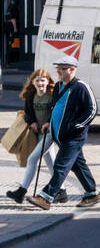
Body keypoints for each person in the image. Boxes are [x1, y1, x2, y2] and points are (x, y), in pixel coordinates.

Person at [26, 57, 100, 210]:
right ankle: (92, 193)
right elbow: (55, 107)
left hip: (74, 136)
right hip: (60, 135)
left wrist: (76, 126)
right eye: (58, 68)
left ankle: (46, 197)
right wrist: (49, 122)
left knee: (61, 165)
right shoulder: (59, 85)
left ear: (72, 69)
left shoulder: (81, 87)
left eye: (62, 68)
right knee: (78, 165)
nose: (58, 71)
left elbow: (92, 110)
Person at [5, 69, 65, 205]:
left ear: (48, 81)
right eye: (37, 80)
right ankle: (62, 191)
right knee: (51, 162)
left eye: (43, 80)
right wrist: (32, 122)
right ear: (32, 82)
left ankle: (21, 192)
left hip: (50, 133)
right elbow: (28, 113)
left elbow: (57, 112)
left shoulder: (52, 96)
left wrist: (49, 122)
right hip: (38, 133)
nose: (40, 83)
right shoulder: (31, 96)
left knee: (32, 159)